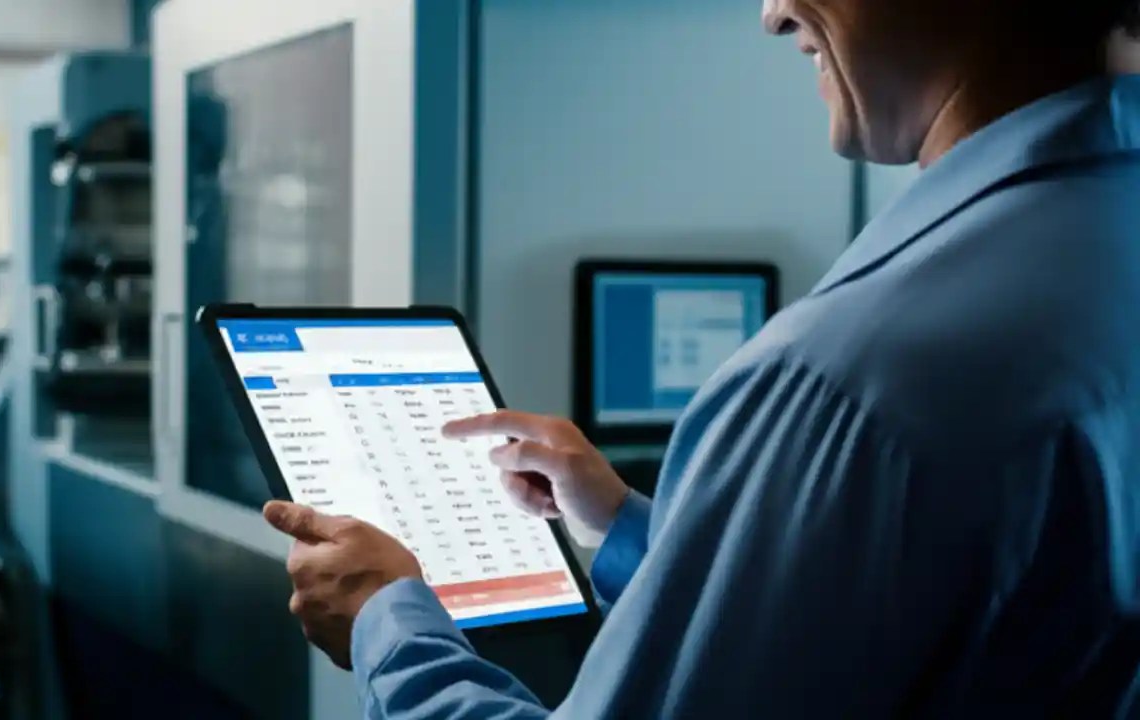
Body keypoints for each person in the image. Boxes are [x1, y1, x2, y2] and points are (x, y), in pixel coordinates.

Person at [263, 0, 1140, 716]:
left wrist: (387, 622)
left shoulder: (840, 380)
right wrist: (624, 527)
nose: (772, 14)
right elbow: (890, 619)